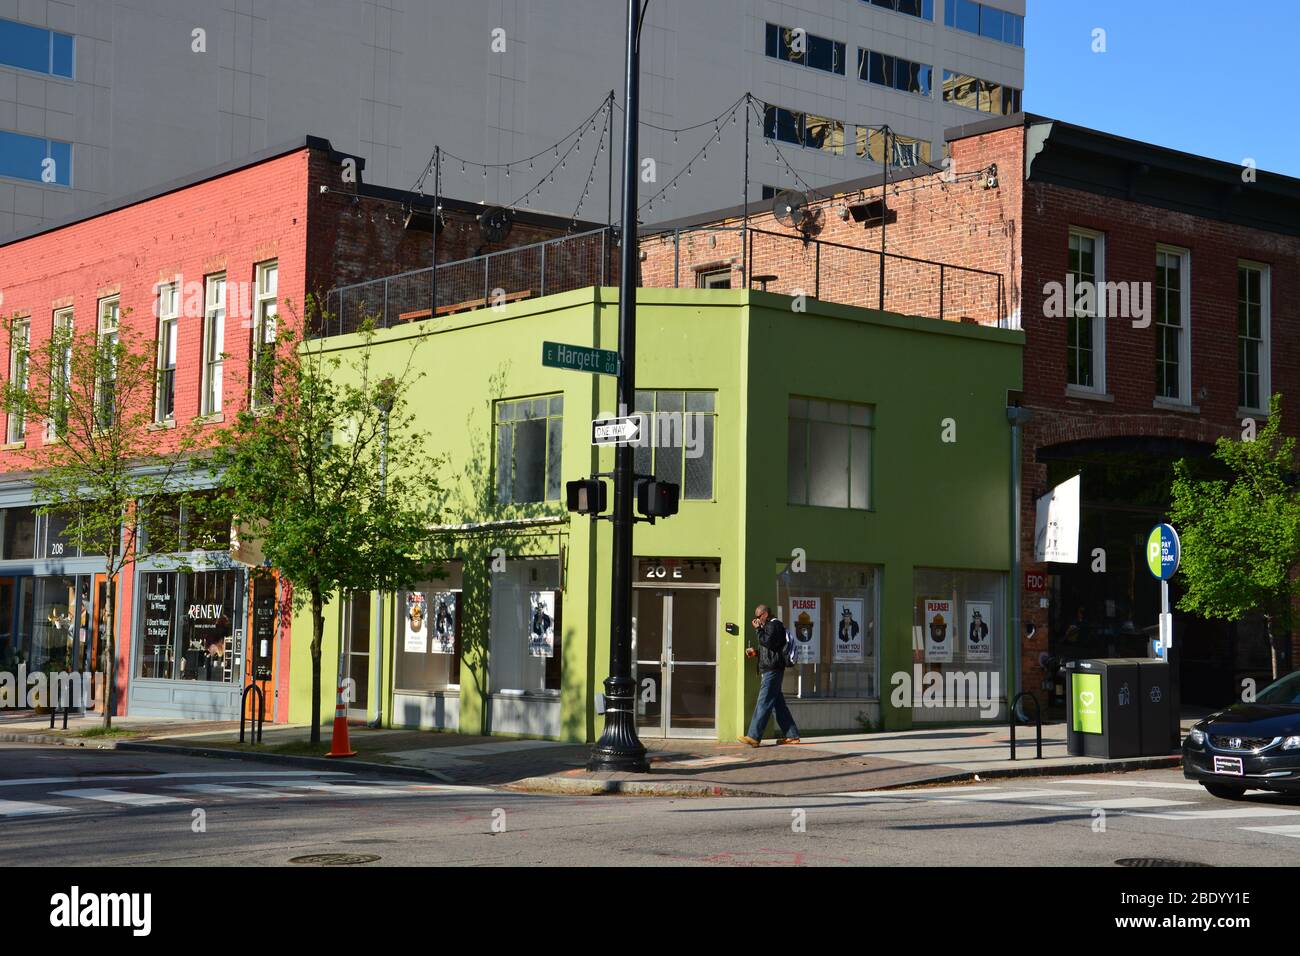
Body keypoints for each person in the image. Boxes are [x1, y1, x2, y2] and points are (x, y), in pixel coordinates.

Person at [740, 604, 800, 747]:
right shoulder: (770, 627)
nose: (757, 620)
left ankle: (754, 736)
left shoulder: (774, 625)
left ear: (765, 614)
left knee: (763, 702)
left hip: (772, 670)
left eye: (758, 616)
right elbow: (771, 648)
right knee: (779, 705)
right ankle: (792, 735)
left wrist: (758, 630)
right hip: (773, 668)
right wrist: (756, 653)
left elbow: (768, 642)